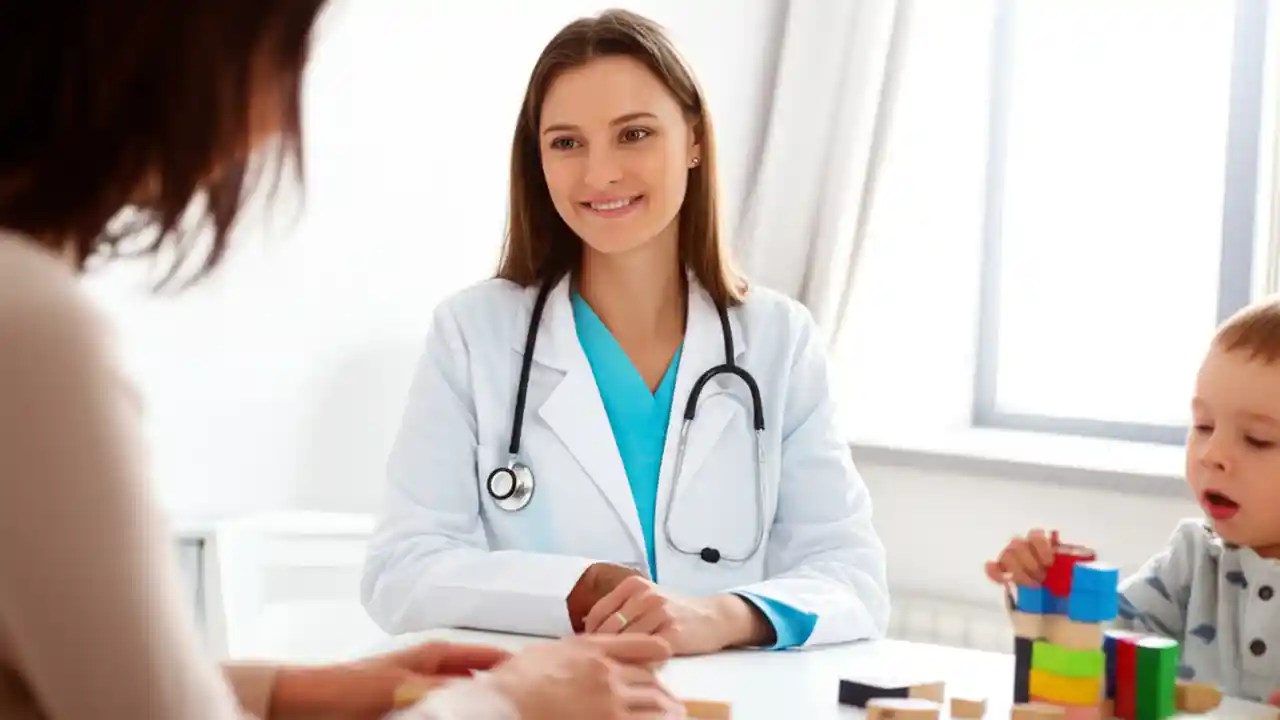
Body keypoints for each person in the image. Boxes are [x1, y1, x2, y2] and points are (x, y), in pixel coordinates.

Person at [0, 2, 680, 718]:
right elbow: (406, 566)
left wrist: (297, 691)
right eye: (280, 55)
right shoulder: (31, 330)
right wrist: (508, 705)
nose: (269, 123)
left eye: (634, 134)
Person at [362, 8, 889, 656]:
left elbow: (850, 576)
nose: (600, 174)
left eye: (634, 134)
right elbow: (401, 570)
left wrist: (720, 617)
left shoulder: (780, 341)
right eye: (566, 142)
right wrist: (580, 588)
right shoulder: (473, 335)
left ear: (693, 138)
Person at [984, 297, 1280, 707]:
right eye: (1203, 426)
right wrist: (1052, 593)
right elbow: (1098, 649)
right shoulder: (1191, 562)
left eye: (1257, 439)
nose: (1212, 453)